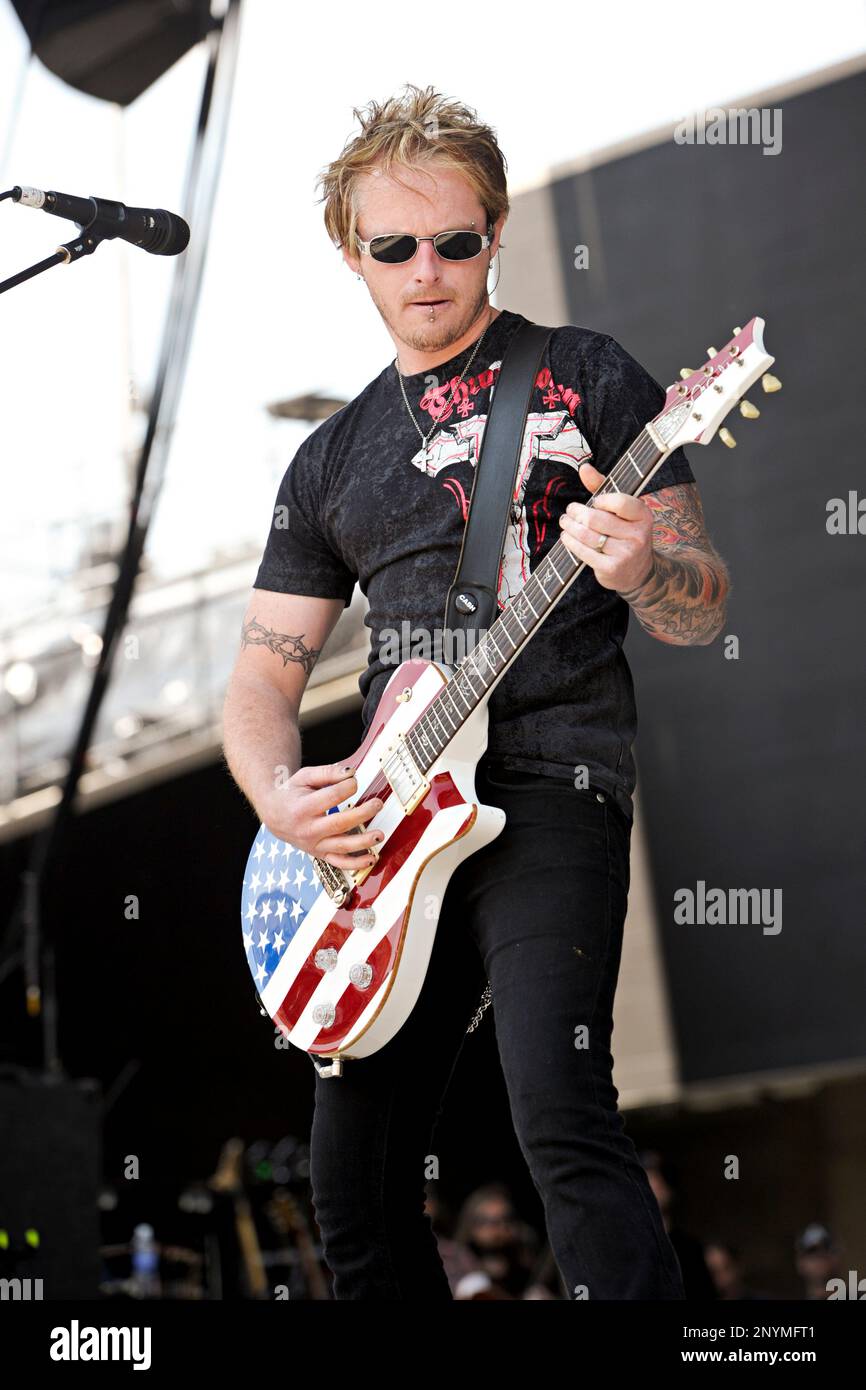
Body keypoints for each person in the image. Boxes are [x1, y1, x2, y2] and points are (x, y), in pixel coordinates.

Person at [222, 84, 730, 1300]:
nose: (428, 269)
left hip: (552, 775)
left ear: (493, 231)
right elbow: (261, 671)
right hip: (388, 824)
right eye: (393, 247)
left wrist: (642, 562)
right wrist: (280, 794)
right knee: (354, 1183)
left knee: (556, 1107)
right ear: (352, 254)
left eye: (455, 240)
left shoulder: (584, 375)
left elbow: (700, 599)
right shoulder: (330, 456)